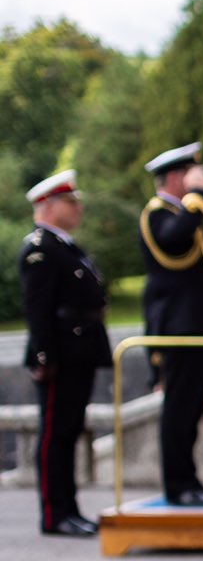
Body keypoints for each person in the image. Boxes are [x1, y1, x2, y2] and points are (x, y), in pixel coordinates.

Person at [17, 170, 112, 537]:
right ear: (49, 206)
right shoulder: (40, 249)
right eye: (71, 202)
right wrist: (44, 356)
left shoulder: (65, 246)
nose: (78, 209)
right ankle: (55, 513)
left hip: (80, 348)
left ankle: (69, 508)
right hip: (59, 353)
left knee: (69, 432)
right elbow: (37, 309)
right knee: (55, 434)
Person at [138, 142, 203, 506]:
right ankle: (178, 487)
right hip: (178, 329)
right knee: (178, 411)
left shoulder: (181, 213)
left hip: (199, 327)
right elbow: (173, 242)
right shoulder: (157, 214)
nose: (200, 179)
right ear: (176, 177)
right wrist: (198, 197)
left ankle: (191, 483)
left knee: (192, 409)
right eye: (193, 175)